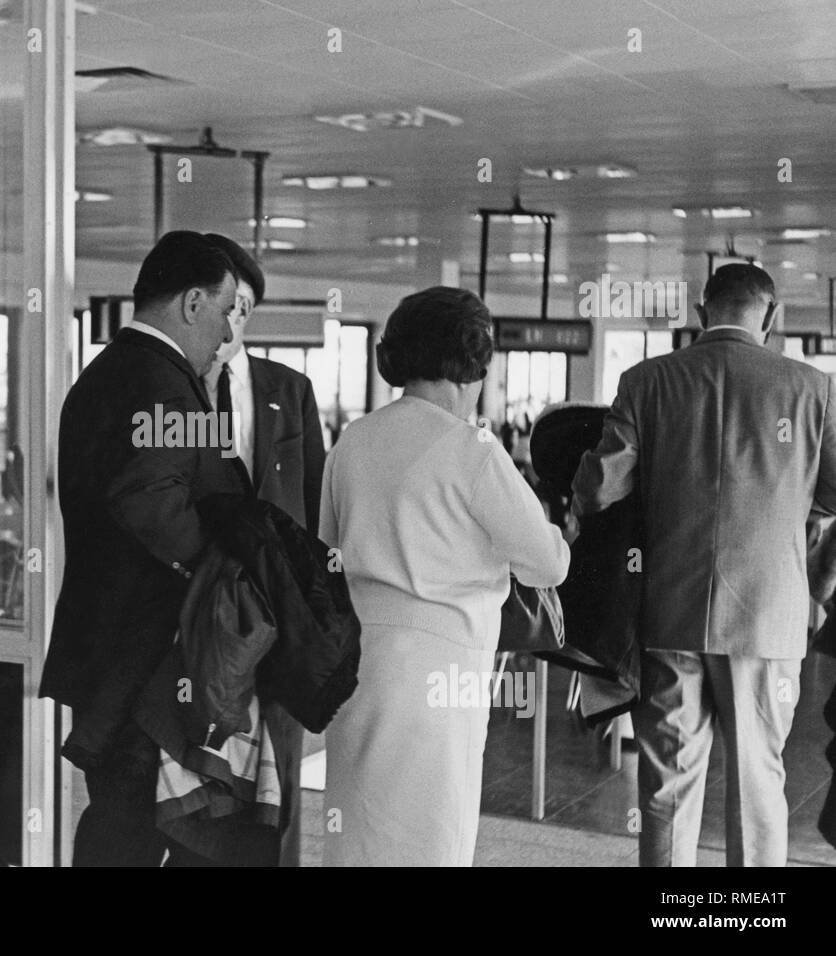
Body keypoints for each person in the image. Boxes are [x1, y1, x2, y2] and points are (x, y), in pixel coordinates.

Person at [572, 263, 836, 866]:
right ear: (772, 318)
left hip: (671, 610)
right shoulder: (812, 388)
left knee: (666, 784)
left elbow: (599, 489)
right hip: (769, 618)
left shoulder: (647, 380)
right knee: (759, 779)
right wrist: (790, 501)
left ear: (701, 312)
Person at [320, 287, 569, 866]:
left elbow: (326, 549)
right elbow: (548, 562)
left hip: (354, 664)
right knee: (431, 836)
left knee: (357, 830)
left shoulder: (354, 440)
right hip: (440, 673)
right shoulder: (474, 449)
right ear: (472, 365)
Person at [40, 230, 250, 866]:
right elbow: (150, 503)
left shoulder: (108, 372)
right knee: (132, 828)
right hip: (144, 661)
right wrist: (223, 572)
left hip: (109, 650)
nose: (226, 332)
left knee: (119, 822)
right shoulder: (162, 381)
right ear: (191, 303)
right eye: (224, 310)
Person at [201, 232, 326, 866]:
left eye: (243, 307)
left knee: (281, 772)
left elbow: (316, 503)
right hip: (206, 620)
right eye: (223, 303)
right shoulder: (176, 389)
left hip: (281, 618)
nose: (231, 319)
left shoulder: (289, 387)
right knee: (204, 783)